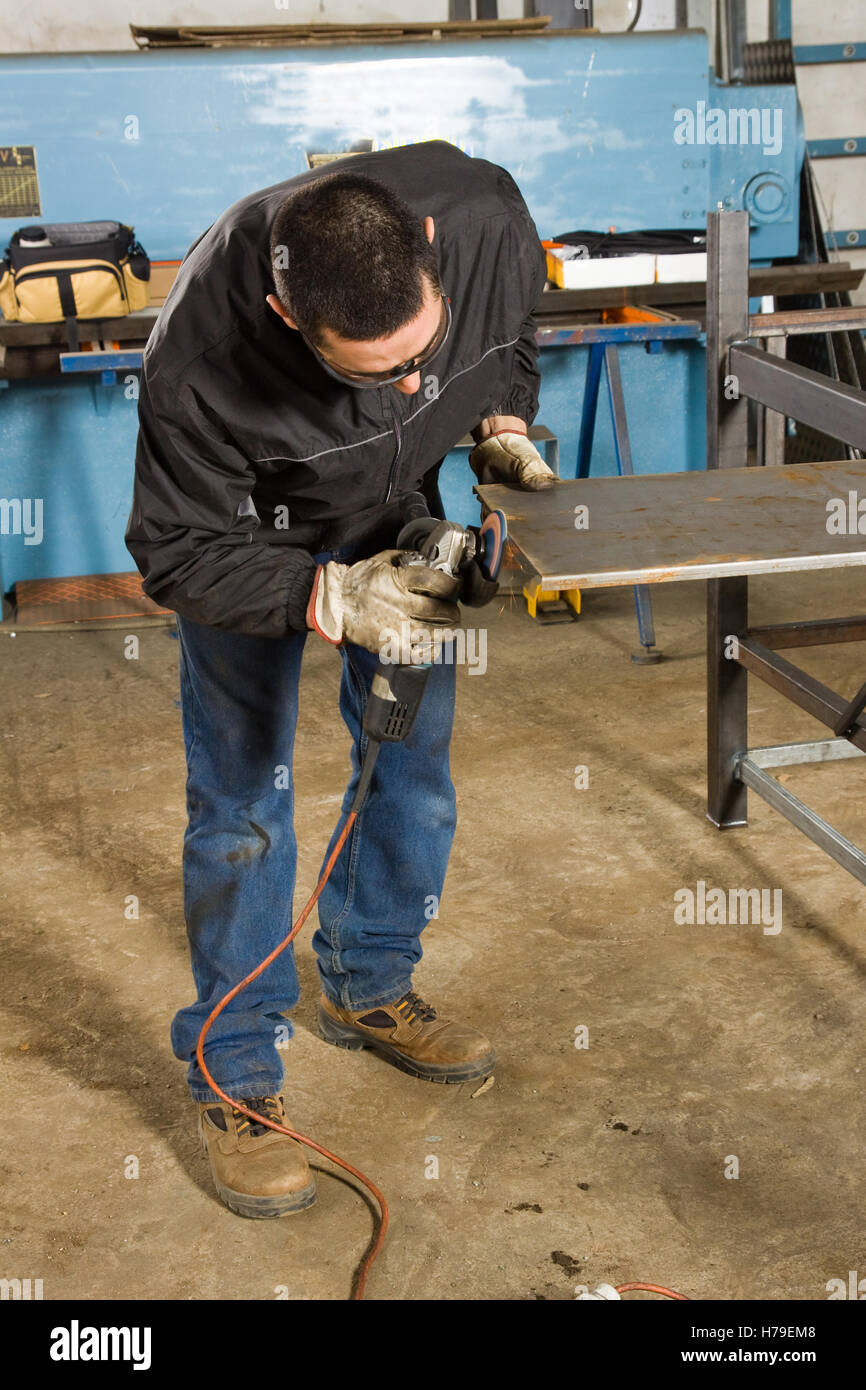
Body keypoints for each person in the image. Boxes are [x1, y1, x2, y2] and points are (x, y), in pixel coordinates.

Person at [126, 140, 554, 1219]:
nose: (413, 381)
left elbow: (508, 325)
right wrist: (325, 597)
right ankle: (236, 1076)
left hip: (394, 503)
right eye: (374, 371)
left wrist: (499, 420)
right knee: (242, 811)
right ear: (285, 321)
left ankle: (368, 983)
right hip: (250, 548)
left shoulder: (479, 211)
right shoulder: (199, 358)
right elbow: (174, 554)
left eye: (423, 353)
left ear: (424, 248)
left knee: (409, 761)